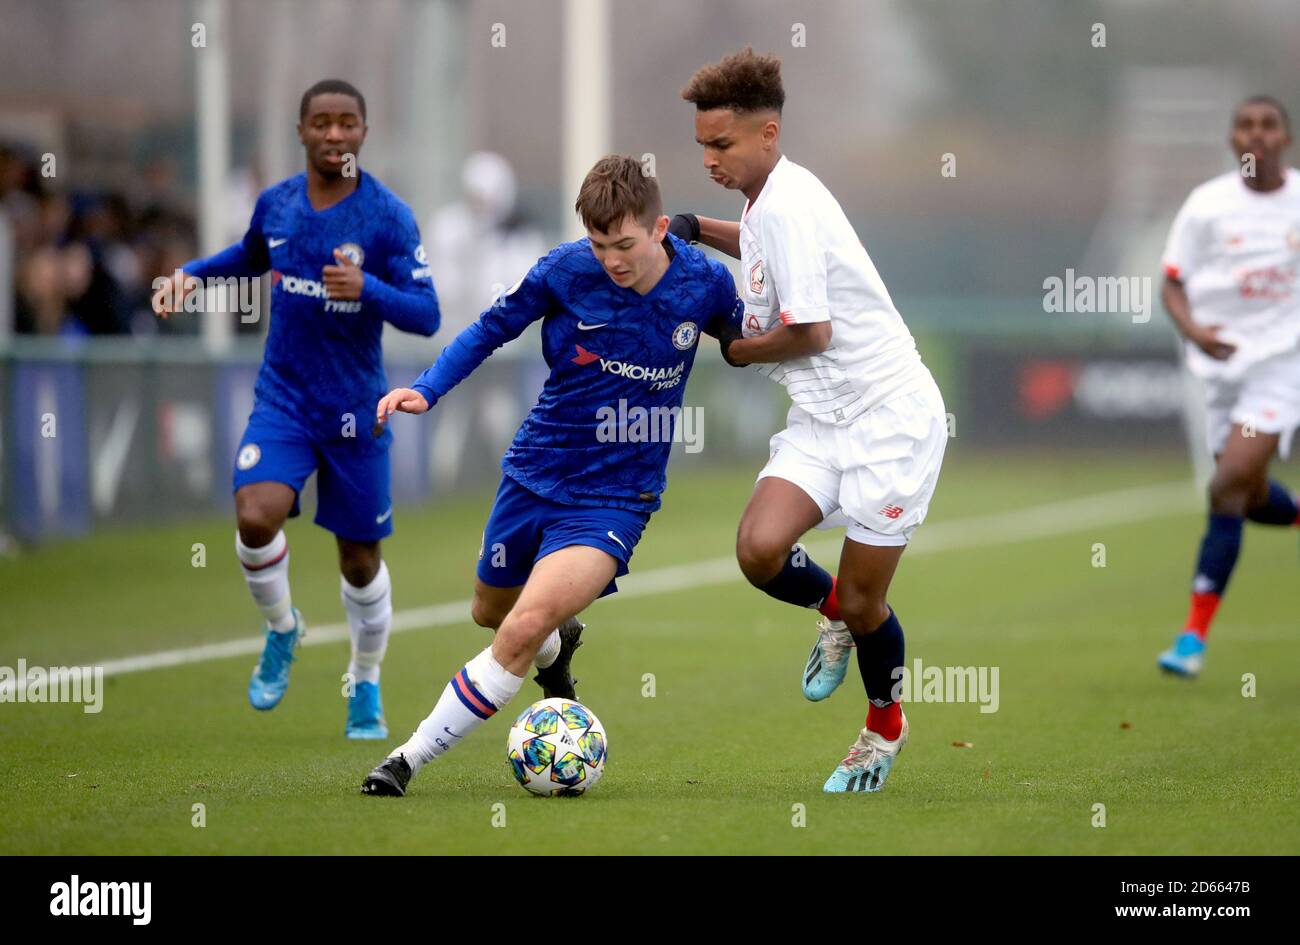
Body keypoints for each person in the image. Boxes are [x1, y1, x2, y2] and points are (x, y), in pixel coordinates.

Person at [360, 154, 741, 797]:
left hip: (616, 499)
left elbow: (744, 345)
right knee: (491, 611)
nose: (611, 259)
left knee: (519, 627)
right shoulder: (565, 269)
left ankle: (405, 759)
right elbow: (488, 330)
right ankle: (557, 652)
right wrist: (426, 390)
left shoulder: (704, 283)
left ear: (658, 230)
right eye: (599, 244)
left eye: (624, 244)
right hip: (535, 472)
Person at [672, 47, 948, 793]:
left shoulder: (788, 204)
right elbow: (758, 244)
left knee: (867, 602)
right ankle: (829, 615)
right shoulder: (771, 200)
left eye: (720, 144)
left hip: (890, 420)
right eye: (701, 144)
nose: (708, 158)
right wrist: (699, 226)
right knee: (760, 550)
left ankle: (884, 728)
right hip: (824, 418)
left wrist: (735, 350)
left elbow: (811, 333)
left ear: (767, 134)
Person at [154, 79, 440, 737]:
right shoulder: (277, 203)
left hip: (356, 411)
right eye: (322, 123)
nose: (334, 134)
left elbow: (427, 314)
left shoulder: (387, 217)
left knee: (359, 561)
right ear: (302, 130)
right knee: (256, 514)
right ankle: (283, 628)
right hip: (284, 397)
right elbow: (250, 256)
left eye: (347, 123)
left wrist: (368, 287)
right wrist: (191, 275)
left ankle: (364, 681)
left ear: (364, 132)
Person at [1157, 95, 1300, 677]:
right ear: (1232, 139)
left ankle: (1192, 638)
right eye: (1245, 124)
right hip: (1217, 367)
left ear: (1285, 138)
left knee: (1227, 481)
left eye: (1269, 125)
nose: (1256, 134)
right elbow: (1171, 284)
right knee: (1239, 492)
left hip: (1281, 364)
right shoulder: (1207, 205)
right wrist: (1194, 332)